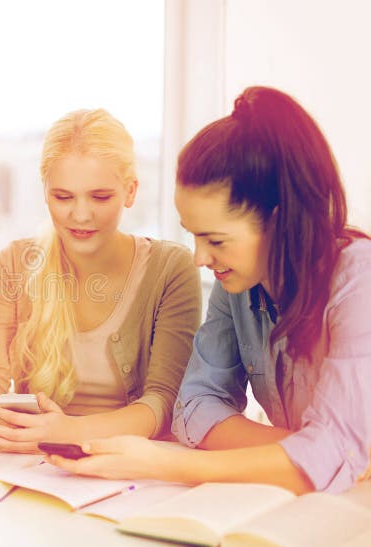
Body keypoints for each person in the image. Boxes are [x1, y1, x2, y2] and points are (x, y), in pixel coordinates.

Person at [48, 86, 371, 494]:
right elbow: (194, 410)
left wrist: (167, 464)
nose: (200, 257)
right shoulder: (239, 281)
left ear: (278, 221)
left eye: (216, 241)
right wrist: (317, 451)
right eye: (194, 236)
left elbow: (333, 455)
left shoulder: (359, 281)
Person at [0, 108, 201, 452]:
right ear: (45, 193)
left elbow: (163, 405)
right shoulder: (14, 263)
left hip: (132, 470)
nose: (80, 215)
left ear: (130, 192)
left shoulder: (171, 268)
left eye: (100, 197)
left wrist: (66, 432)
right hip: (35, 465)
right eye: (63, 197)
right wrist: (7, 421)